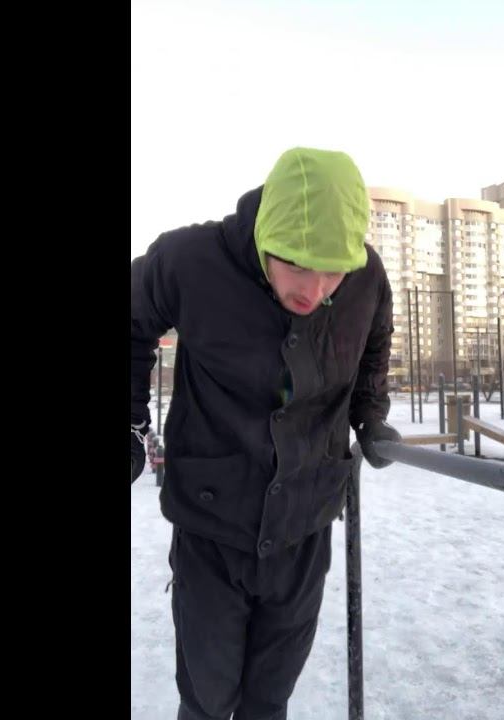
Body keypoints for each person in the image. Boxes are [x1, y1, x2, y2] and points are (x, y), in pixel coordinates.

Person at [131, 147, 401, 720]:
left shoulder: (366, 277)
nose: (315, 288)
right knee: (206, 699)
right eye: (297, 263)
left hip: (305, 522)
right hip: (211, 524)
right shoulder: (191, 262)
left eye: (332, 271)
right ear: (266, 234)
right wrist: (131, 424)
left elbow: (374, 342)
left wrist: (370, 413)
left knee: (269, 699)